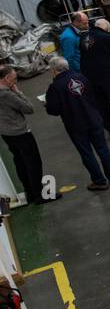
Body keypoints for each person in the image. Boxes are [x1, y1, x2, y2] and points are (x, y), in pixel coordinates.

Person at [44, 56, 110, 191]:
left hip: (76, 125)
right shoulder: (82, 78)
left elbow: (53, 110)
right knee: (103, 149)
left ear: (54, 70)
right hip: (94, 119)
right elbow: (94, 96)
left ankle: (99, 181)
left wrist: (47, 104)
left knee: (87, 154)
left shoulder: (55, 87)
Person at [0, 64, 55, 205]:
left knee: (20, 161)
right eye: (14, 78)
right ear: (6, 78)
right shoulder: (7, 95)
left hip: (6, 133)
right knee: (33, 162)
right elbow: (29, 108)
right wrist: (17, 91)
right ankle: (39, 194)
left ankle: (29, 192)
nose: (16, 81)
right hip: (20, 132)